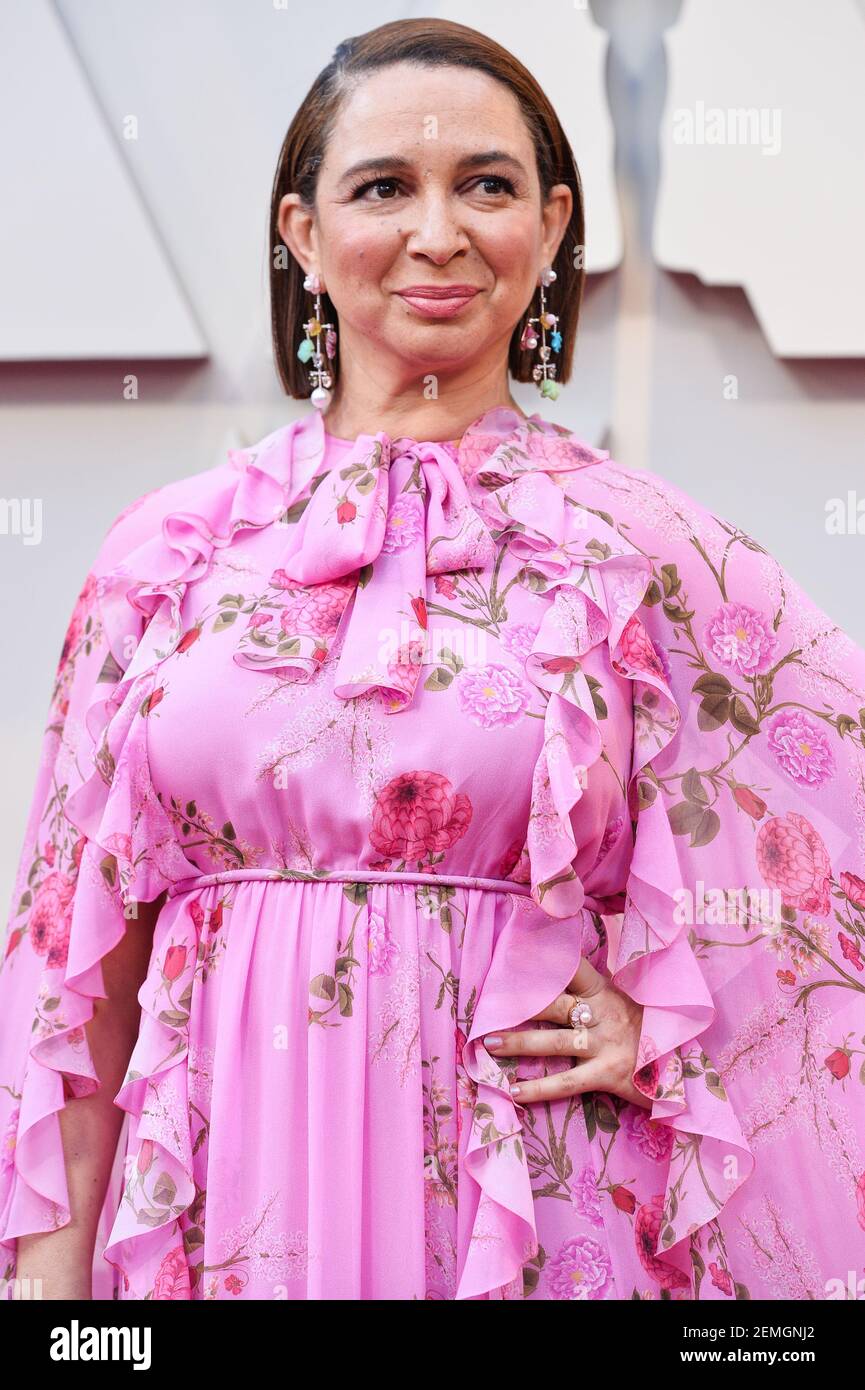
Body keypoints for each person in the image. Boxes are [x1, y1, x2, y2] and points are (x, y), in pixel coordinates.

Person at [2, 17, 864, 1303]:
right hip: (217, 1205)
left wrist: (667, 1017)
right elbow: (75, 985)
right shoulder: (168, 554)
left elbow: (824, 867)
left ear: (555, 223)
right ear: (300, 232)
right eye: (383, 188)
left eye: (488, 185)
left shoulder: (640, 549)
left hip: (535, 1219)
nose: (439, 231)